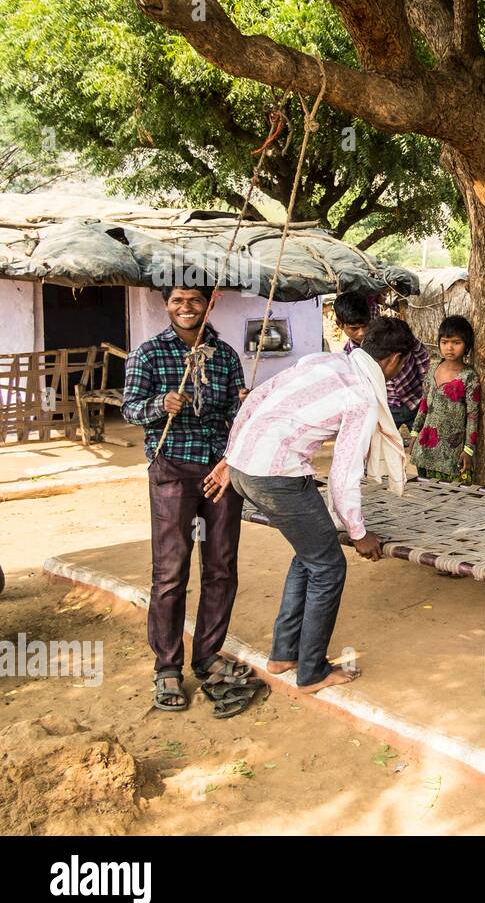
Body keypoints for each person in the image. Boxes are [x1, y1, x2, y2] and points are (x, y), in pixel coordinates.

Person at [202, 317, 415, 694]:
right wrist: (359, 532)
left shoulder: (324, 361)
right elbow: (344, 474)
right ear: (394, 361)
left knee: (310, 552)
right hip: (275, 476)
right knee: (329, 566)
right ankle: (313, 671)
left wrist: (231, 456)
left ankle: (284, 653)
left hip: (248, 467)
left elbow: (257, 398)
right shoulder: (362, 396)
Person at [122, 284, 261, 716]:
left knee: (221, 566)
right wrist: (160, 404)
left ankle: (208, 656)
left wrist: (245, 405)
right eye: (178, 300)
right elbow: (128, 408)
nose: (186, 307)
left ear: (209, 304)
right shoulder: (148, 354)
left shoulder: (224, 356)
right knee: (170, 571)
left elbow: (236, 420)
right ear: (167, 305)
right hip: (171, 470)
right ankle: (167, 666)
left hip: (220, 471)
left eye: (195, 301)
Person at [335, 290, 430, 430]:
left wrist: (426, 387)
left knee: (423, 439)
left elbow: (420, 354)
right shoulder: (348, 358)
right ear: (340, 325)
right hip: (387, 407)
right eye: (354, 328)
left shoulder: (393, 334)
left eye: (365, 326)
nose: (361, 332)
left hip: (416, 399)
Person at [410, 316, 480, 484]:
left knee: (452, 499)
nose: (449, 348)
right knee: (427, 496)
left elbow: (472, 415)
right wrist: (414, 432)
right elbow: (424, 404)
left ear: (467, 345)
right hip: (426, 447)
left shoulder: (469, 377)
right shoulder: (433, 369)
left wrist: (469, 450)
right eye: (444, 342)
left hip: (452, 452)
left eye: (456, 342)